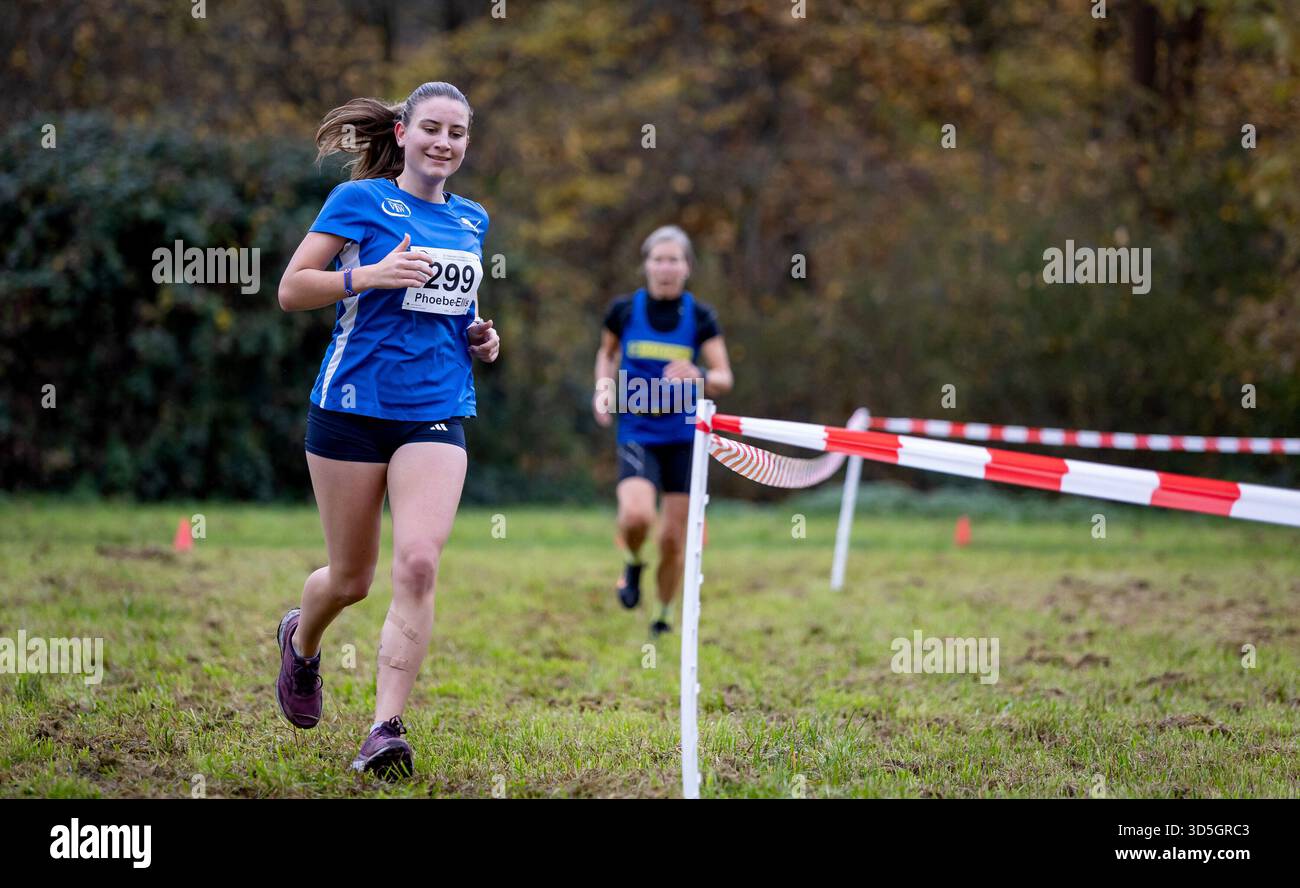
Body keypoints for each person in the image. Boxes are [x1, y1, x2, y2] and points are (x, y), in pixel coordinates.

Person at [274, 81, 499, 781]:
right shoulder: (360, 202)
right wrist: (368, 275)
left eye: (457, 133)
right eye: (431, 128)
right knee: (350, 578)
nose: (444, 142)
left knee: (420, 563)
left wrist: (481, 336)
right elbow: (291, 288)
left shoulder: (472, 220)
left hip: (434, 409)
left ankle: (383, 729)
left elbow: (455, 306)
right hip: (349, 407)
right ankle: (300, 640)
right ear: (403, 132)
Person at [593, 225, 733, 638]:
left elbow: (725, 376)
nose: (666, 268)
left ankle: (663, 615)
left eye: (674, 260)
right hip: (637, 429)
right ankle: (634, 561)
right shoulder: (623, 310)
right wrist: (603, 388)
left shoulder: (701, 317)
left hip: (685, 436)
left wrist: (700, 373)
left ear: (687, 267)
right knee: (636, 516)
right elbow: (606, 354)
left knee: (673, 539)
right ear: (646, 265)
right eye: (658, 259)